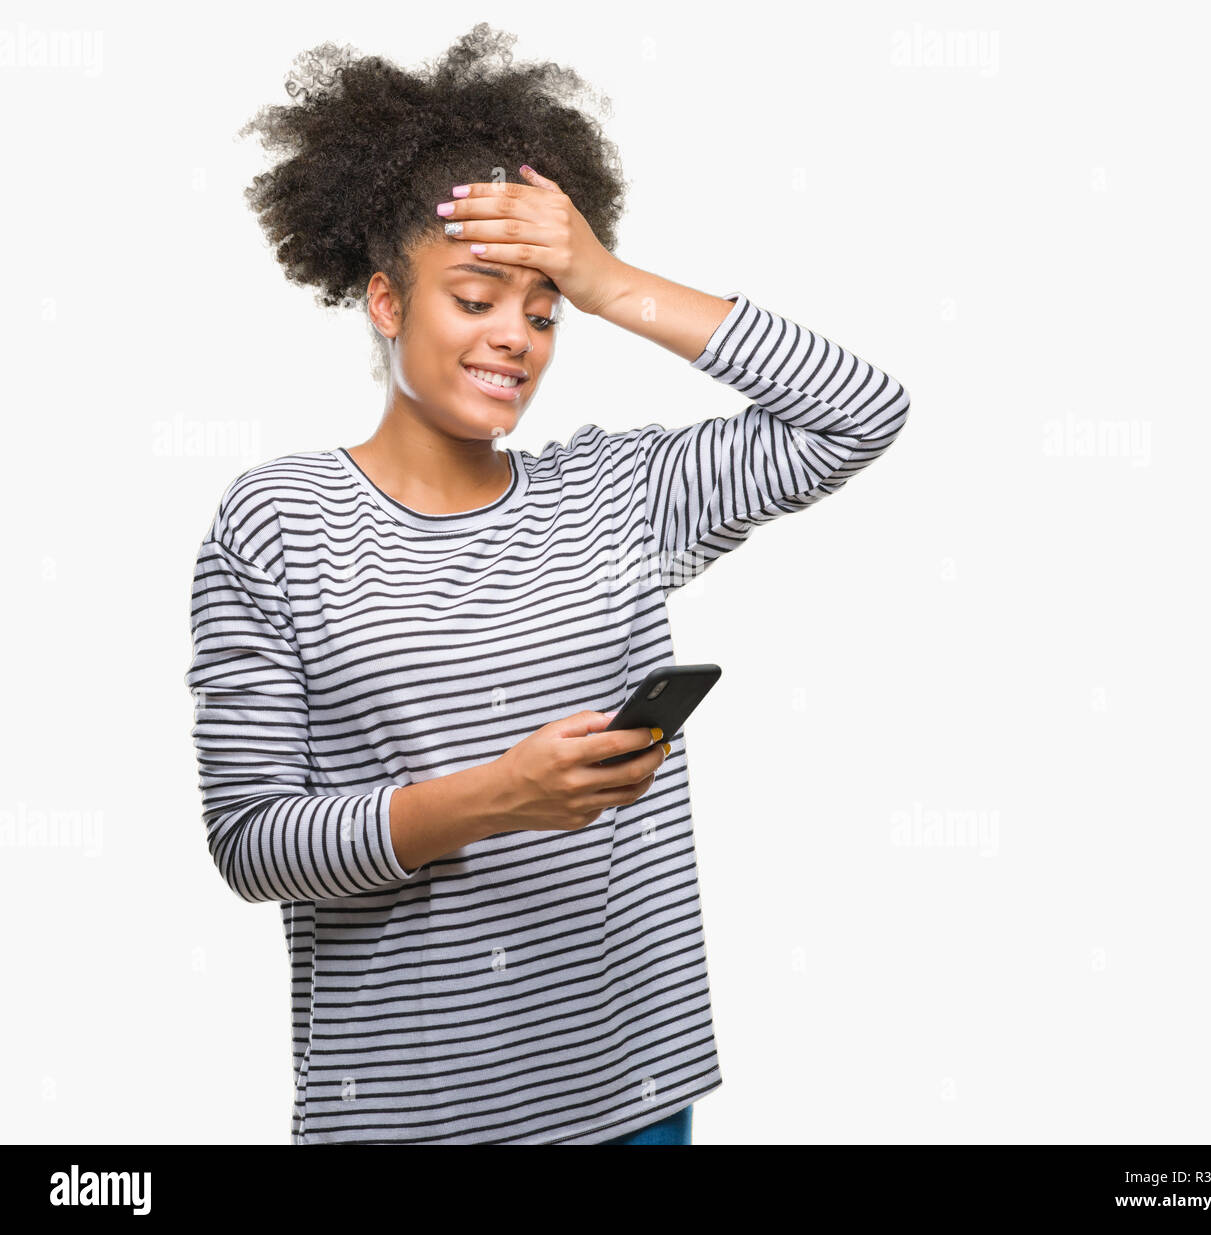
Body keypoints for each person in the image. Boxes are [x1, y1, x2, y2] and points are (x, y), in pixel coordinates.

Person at [185, 26, 911, 1146]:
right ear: (385, 302)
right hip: (409, 1115)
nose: (514, 338)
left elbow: (859, 411)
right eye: (475, 297)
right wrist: (499, 796)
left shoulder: (619, 494)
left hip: (630, 1093)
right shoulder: (277, 521)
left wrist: (609, 281)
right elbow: (253, 840)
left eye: (541, 309)